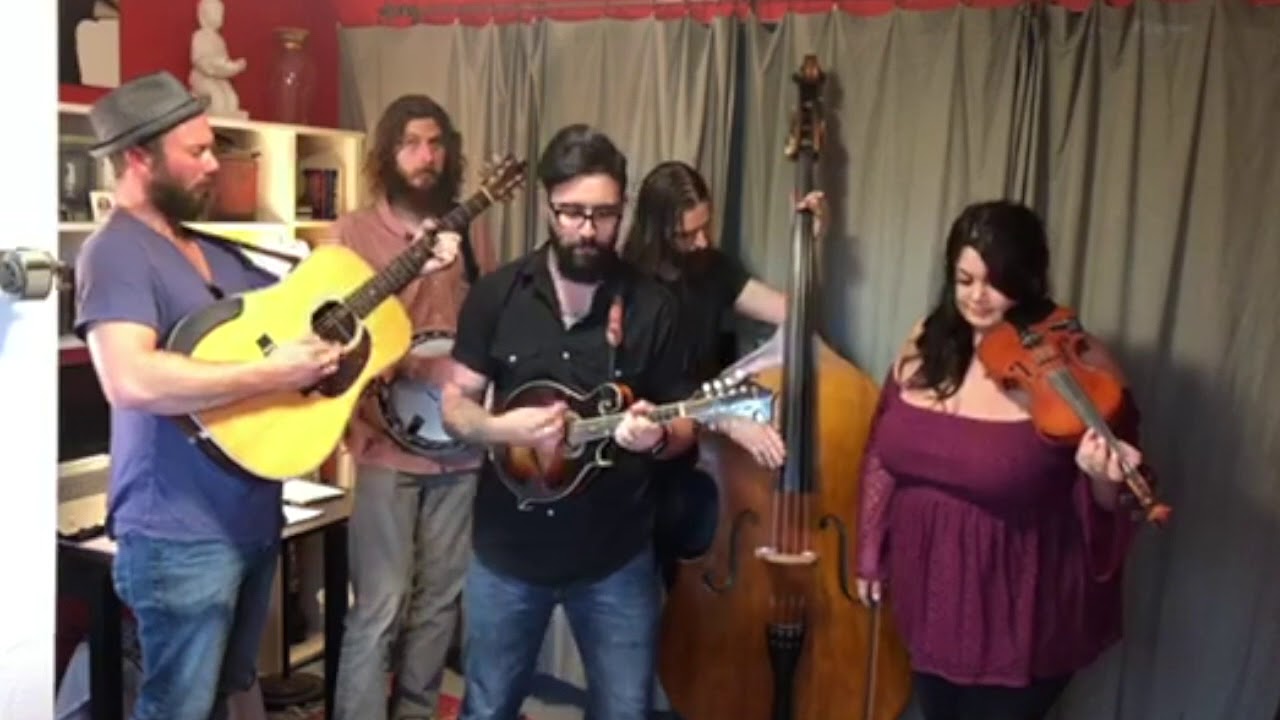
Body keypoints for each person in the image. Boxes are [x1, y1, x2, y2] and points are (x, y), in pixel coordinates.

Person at [72, 72, 456, 720]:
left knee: (225, 696)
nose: (213, 165)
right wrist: (271, 375)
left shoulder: (212, 248)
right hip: (176, 532)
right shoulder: (115, 252)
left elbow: (317, 316)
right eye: (194, 151)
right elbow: (131, 378)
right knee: (176, 709)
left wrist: (413, 264)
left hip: (250, 518)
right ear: (139, 157)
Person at [852, 200, 1152, 720]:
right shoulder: (926, 343)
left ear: (1029, 279)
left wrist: (1102, 479)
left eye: (994, 282)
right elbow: (883, 449)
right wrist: (870, 551)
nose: (977, 297)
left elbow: (1113, 503)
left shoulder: (1074, 366)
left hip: (1021, 611)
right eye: (964, 280)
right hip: (929, 599)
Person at [440, 124, 697, 720]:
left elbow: (686, 426)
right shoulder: (497, 295)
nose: (587, 229)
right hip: (506, 554)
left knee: (624, 711)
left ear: (623, 209)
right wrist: (507, 430)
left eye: (604, 214)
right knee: (486, 708)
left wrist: (657, 436)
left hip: (615, 560)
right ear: (545, 205)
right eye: (572, 212)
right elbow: (455, 406)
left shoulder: (655, 306)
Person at [331, 94, 490, 720]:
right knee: (381, 605)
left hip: (457, 449)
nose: (427, 157)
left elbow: (486, 318)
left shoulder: (470, 227)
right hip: (383, 446)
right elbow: (333, 336)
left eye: (436, 142)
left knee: (439, 606)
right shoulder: (350, 235)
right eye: (411, 144)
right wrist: (420, 271)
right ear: (387, 155)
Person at [619, 160, 823, 580]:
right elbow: (643, 392)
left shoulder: (711, 266)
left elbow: (793, 313)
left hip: (706, 460)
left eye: (704, 227)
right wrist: (725, 418)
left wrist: (811, 243)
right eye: (686, 234)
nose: (701, 242)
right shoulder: (629, 286)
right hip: (646, 462)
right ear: (658, 232)